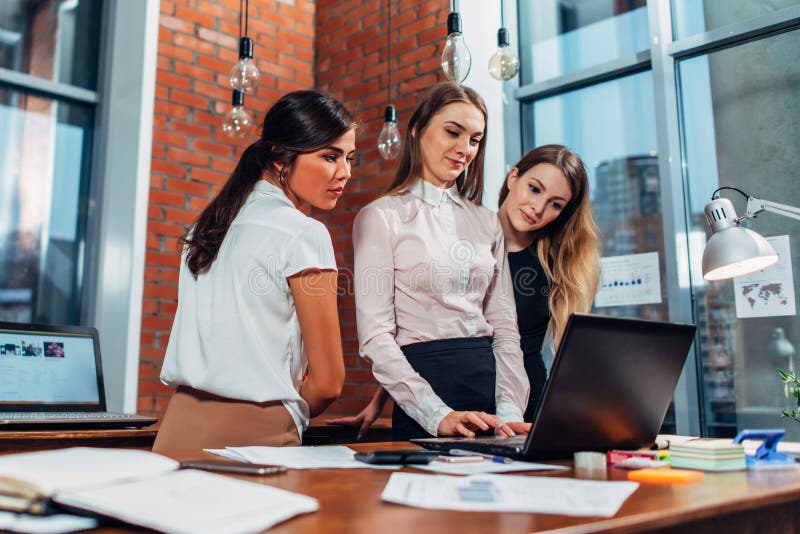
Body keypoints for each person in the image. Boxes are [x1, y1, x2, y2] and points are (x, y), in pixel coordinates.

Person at [330, 144, 599, 437]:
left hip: (527, 405)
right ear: (513, 178)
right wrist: (382, 400)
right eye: (534, 189)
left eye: (556, 204)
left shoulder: (556, 265)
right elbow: (429, 326)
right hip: (462, 398)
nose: (539, 207)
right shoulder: (461, 245)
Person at [153, 90, 355, 453]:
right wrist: (289, 414)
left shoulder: (207, 226)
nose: (345, 173)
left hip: (176, 430)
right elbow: (328, 383)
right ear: (281, 158)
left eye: (349, 158)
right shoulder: (304, 233)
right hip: (257, 432)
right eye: (330, 156)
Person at [344, 82, 530, 441]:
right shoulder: (380, 217)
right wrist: (435, 413)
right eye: (453, 132)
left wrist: (509, 410)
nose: (464, 149)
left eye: (475, 139)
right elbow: (376, 337)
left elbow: (505, 327)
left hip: (492, 394)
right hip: (426, 393)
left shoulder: (487, 221)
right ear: (417, 130)